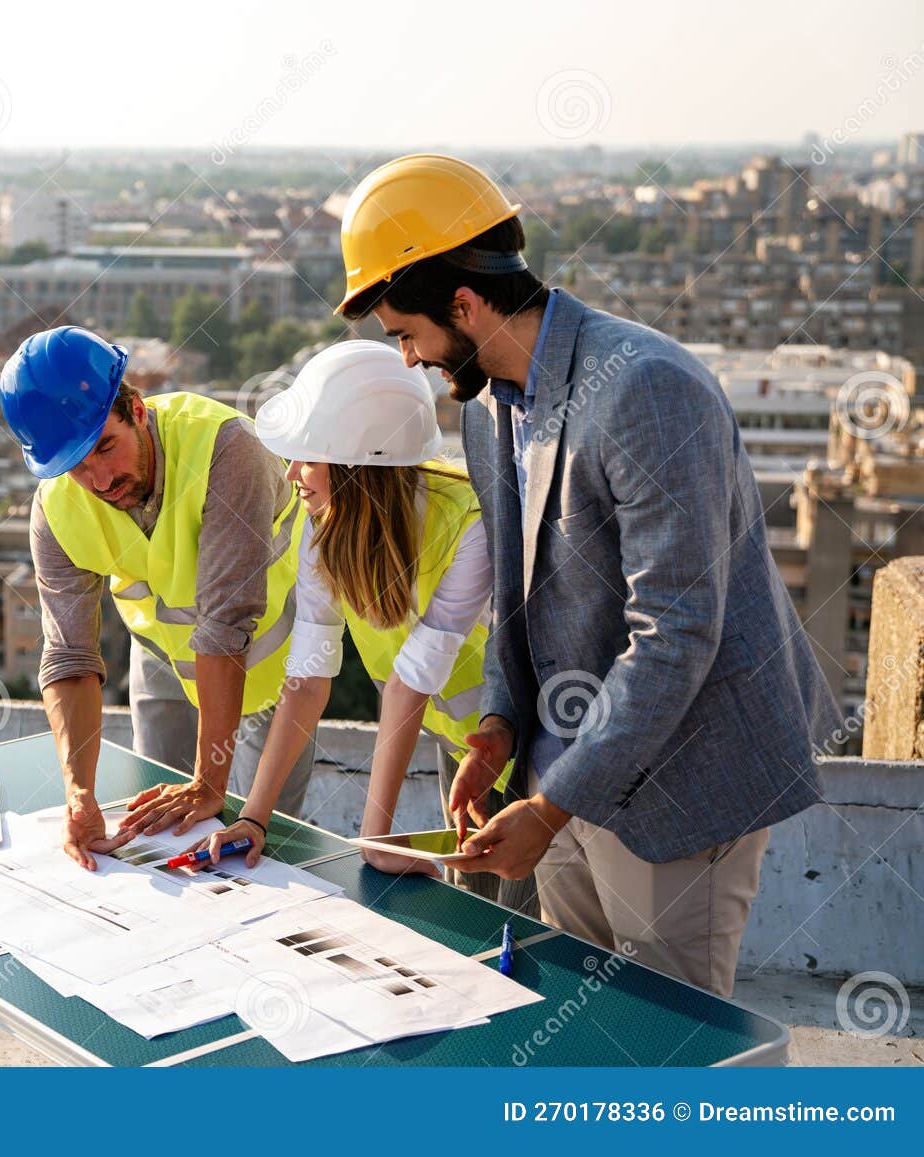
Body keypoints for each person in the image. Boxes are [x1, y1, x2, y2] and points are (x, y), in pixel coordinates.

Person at [332, 153, 839, 996]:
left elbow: (675, 634)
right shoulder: (488, 404)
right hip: (561, 775)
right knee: (586, 1017)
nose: (411, 359)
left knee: (670, 1045)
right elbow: (517, 596)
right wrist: (500, 724)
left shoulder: (646, 388)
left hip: (681, 785)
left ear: (464, 303)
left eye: (407, 334)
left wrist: (549, 807)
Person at [186, 342, 538, 915]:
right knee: (479, 911)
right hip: (466, 749)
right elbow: (306, 681)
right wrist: (254, 818)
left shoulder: (470, 525)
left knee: (527, 922)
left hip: (537, 751)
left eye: (308, 459)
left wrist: (374, 841)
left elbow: (413, 680)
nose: (292, 474)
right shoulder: (322, 526)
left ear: (356, 465)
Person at [0, 326, 316, 870]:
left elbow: (224, 624)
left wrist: (208, 783)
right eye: (77, 466)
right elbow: (69, 655)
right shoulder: (55, 511)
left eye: (106, 447)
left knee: (260, 853)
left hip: (274, 677)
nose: (100, 481)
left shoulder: (225, 450)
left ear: (138, 412)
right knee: (153, 839)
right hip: (164, 662)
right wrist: (78, 792)